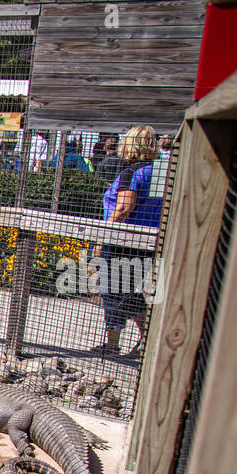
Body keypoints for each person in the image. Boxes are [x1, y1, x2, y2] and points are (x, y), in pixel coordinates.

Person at [90, 124, 161, 357]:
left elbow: (122, 208)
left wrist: (102, 238)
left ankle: (117, 345)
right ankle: (143, 340)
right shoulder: (158, 173)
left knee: (111, 290)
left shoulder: (132, 173)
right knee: (127, 291)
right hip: (147, 242)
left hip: (123, 241)